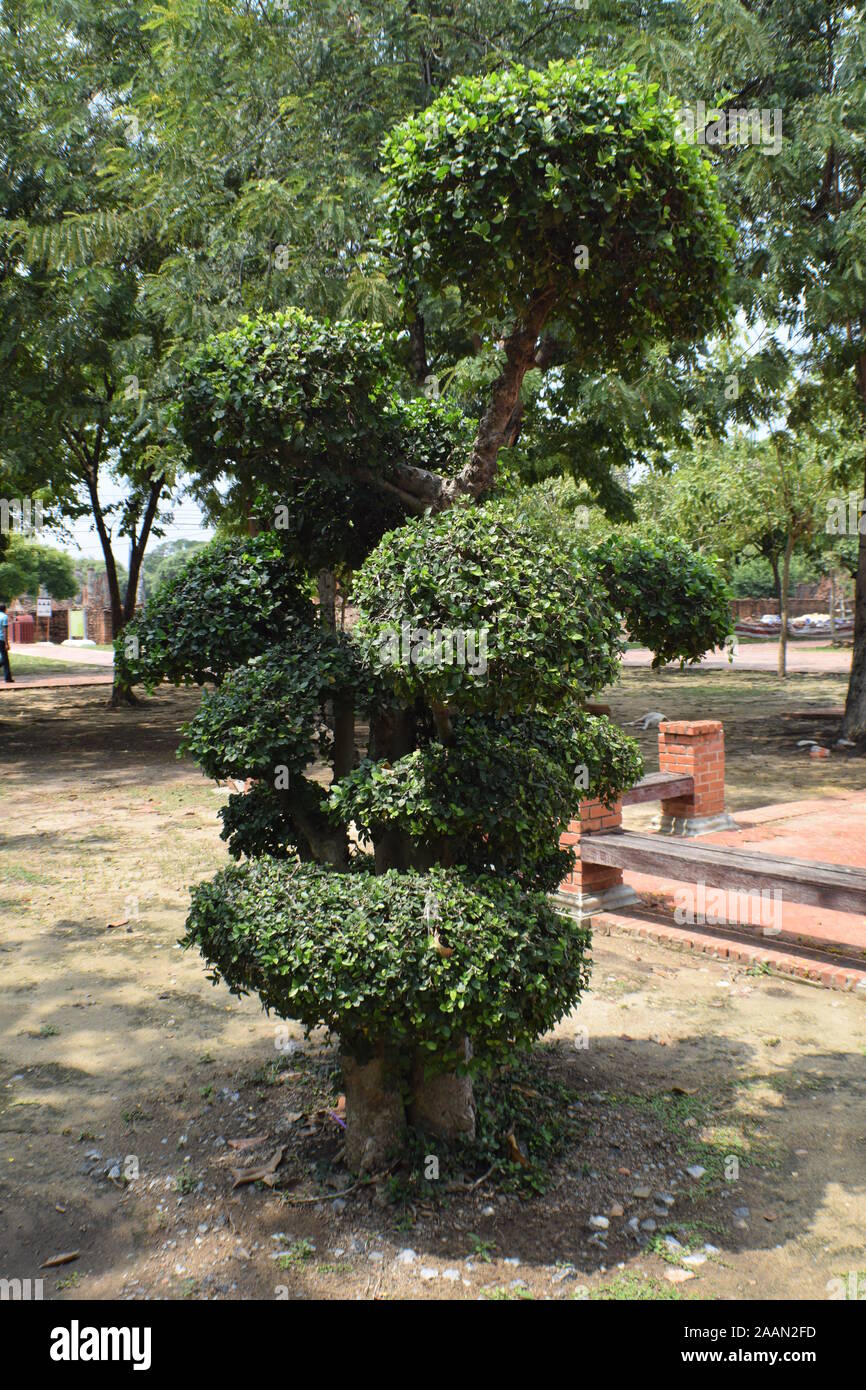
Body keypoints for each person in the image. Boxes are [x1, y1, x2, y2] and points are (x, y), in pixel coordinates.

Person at [0, 604, 14, 683]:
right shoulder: (4, 617)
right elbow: (5, 631)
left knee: (4, 659)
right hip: (1, 640)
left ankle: (8, 678)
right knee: (5, 659)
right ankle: (7, 678)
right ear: (5, 609)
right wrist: (6, 643)